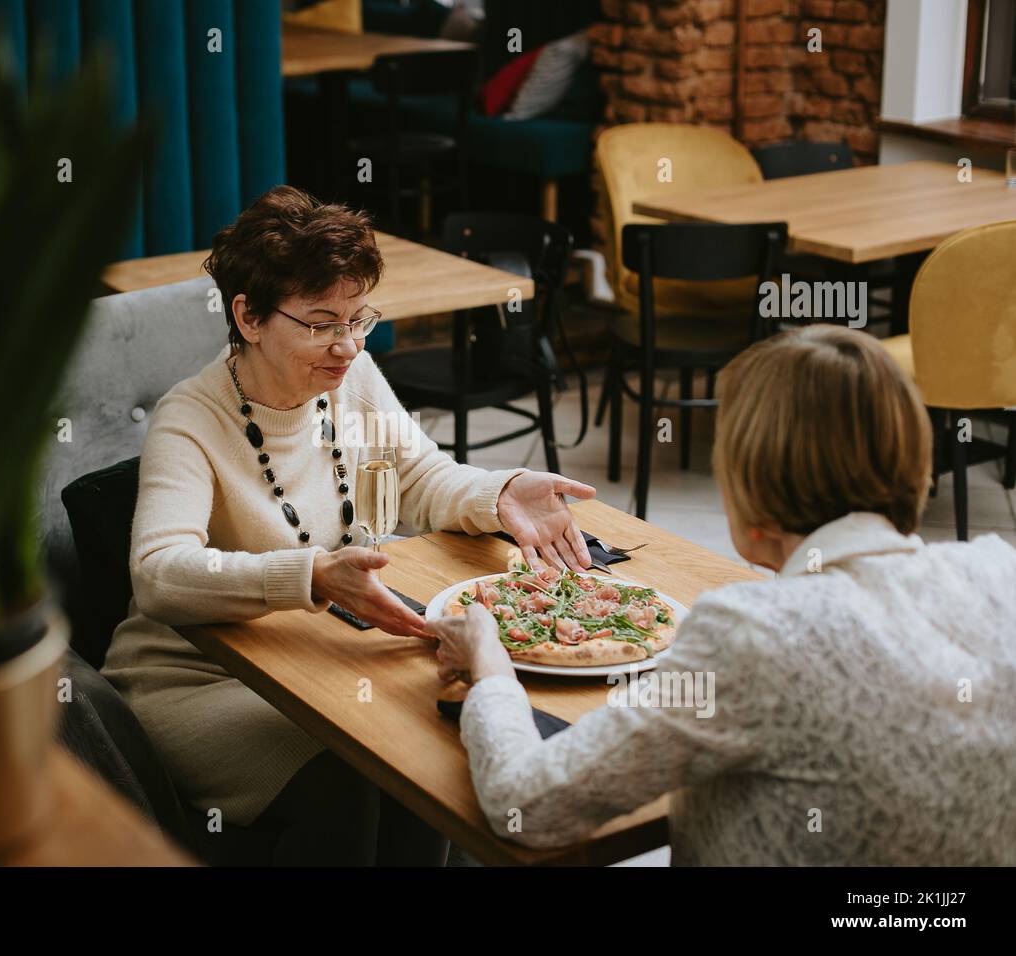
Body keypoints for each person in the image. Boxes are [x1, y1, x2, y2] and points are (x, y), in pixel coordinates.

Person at [102, 185, 595, 865]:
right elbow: (157, 575)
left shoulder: (351, 376)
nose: (347, 345)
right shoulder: (189, 420)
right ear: (248, 316)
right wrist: (313, 574)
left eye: (359, 319)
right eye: (321, 322)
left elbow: (417, 476)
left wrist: (501, 490)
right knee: (354, 779)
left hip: (318, 659)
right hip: (200, 679)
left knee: (424, 761)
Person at [430, 324, 1016, 865]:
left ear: (749, 481)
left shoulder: (755, 633)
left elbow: (527, 805)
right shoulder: (1001, 570)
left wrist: (491, 663)